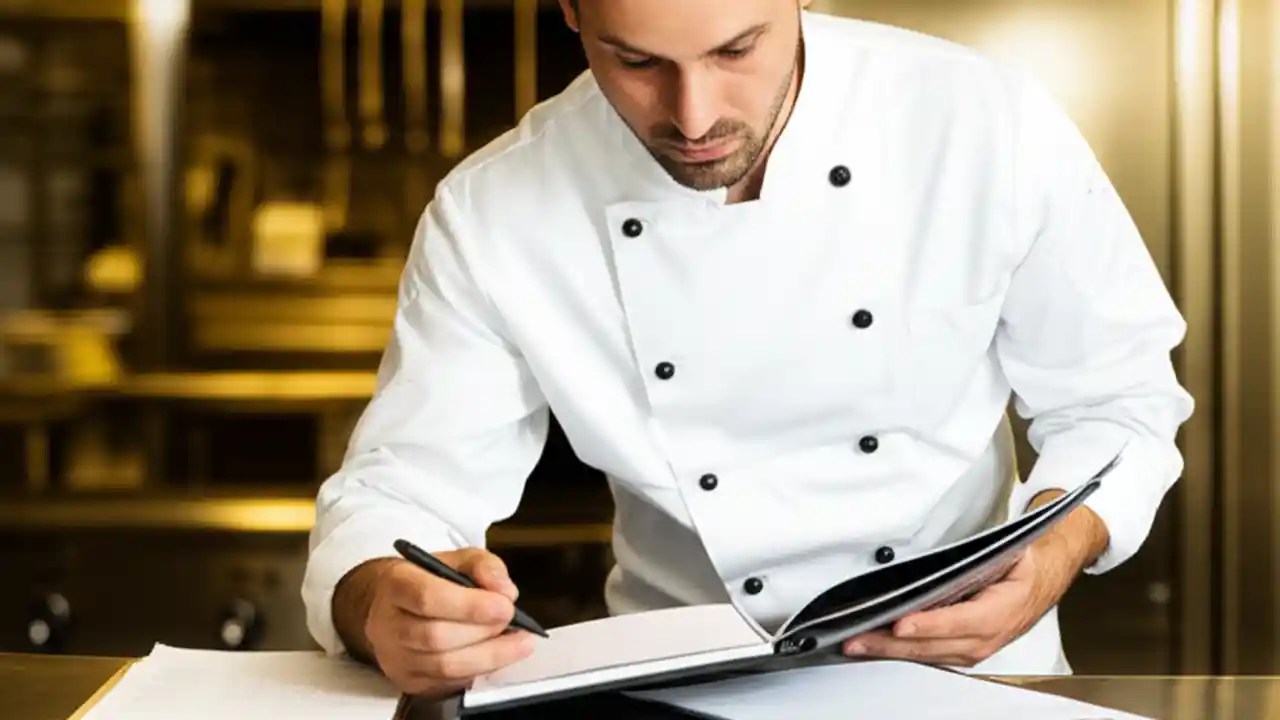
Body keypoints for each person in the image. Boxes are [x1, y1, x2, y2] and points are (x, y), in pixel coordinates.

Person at [301, 0, 1194, 697]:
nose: (693, 117)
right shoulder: (496, 210)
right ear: (571, 14)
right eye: (636, 61)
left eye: (736, 50)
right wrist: (382, 602)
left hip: (974, 684)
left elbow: (1118, 403)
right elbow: (399, 492)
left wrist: (1049, 560)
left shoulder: (981, 122)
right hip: (686, 691)